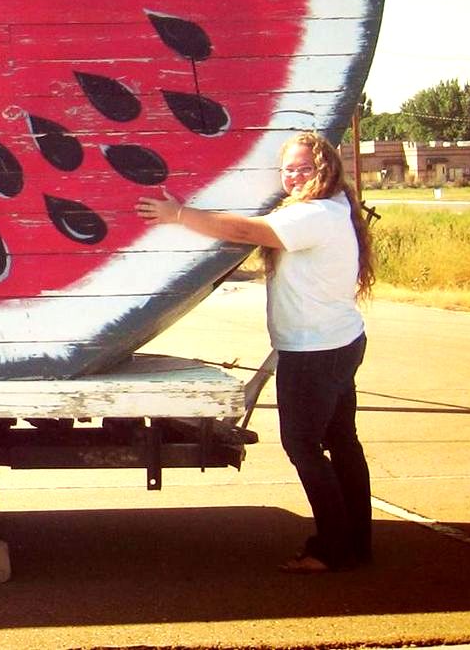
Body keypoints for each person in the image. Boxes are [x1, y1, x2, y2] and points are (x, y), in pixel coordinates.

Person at [135, 130, 374, 573]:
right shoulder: (336, 207)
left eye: (305, 168)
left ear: (327, 169)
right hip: (339, 341)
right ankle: (357, 542)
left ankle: (332, 549)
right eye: (287, 169)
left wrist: (178, 214)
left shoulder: (314, 215)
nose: (294, 176)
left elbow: (247, 230)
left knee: (303, 444)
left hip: (314, 350)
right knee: (341, 442)